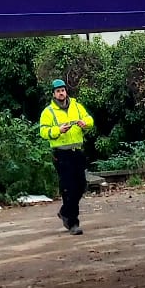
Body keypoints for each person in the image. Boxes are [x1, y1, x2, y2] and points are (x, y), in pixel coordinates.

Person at [38, 79, 95, 234]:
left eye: (62, 90)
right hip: (61, 153)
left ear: (66, 91)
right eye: (58, 91)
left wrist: (85, 123)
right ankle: (73, 223)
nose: (61, 93)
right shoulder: (48, 112)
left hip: (77, 151)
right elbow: (43, 132)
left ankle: (64, 211)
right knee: (68, 188)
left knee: (81, 185)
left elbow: (90, 119)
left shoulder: (77, 106)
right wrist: (58, 130)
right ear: (53, 94)